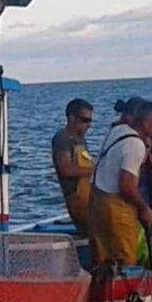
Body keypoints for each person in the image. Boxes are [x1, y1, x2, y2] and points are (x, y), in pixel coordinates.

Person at [89, 101, 152, 267]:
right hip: (117, 207)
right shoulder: (135, 145)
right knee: (125, 258)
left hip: (97, 200)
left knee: (102, 258)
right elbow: (126, 185)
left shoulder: (118, 131)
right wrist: (144, 208)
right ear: (145, 123)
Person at [51, 98, 95, 236]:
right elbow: (66, 169)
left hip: (90, 197)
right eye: (85, 120)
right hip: (78, 199)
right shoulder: (62, 138)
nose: (88, 125)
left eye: (90, 121)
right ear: (71, 118)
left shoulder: (80, 139)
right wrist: (96, 170)